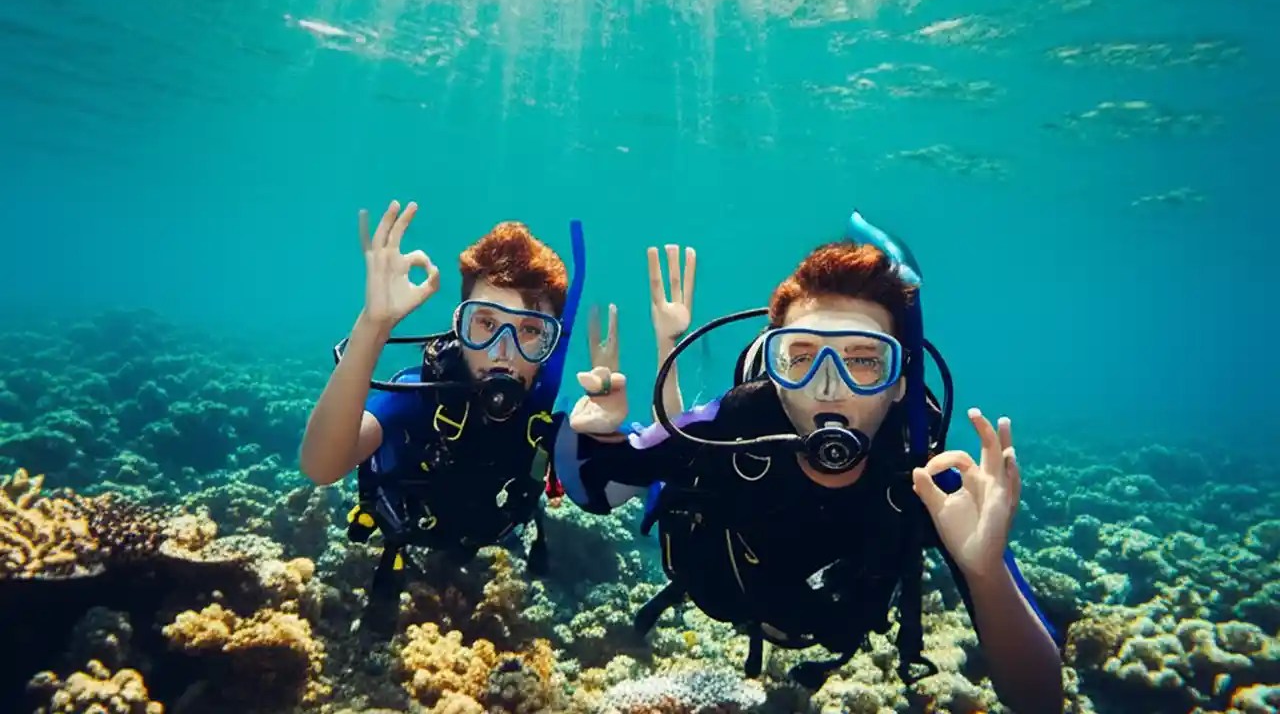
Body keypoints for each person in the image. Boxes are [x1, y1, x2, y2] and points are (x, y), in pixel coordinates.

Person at [554, 209, 1066, 712]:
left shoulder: (926, 482)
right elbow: (592, 488)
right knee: (675, 462)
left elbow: (1039, 700)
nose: (828, 386)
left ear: (898, 388)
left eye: (864, 361)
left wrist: (985, 573)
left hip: (833, 624)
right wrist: (599, 438)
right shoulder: (732, 428)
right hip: (722, 594)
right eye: (799, 357)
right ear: (771, 374)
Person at [300, 199, 697, 637]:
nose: (504, 352)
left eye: (530, 332)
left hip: (492, 534)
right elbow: (321, 465)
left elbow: (644, 480)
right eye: (485, 324)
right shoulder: (420, 399)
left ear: (550, 345)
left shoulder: (547, 415)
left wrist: (607, 439)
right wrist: (373, 327)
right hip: (408, 529)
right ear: (459, 329)